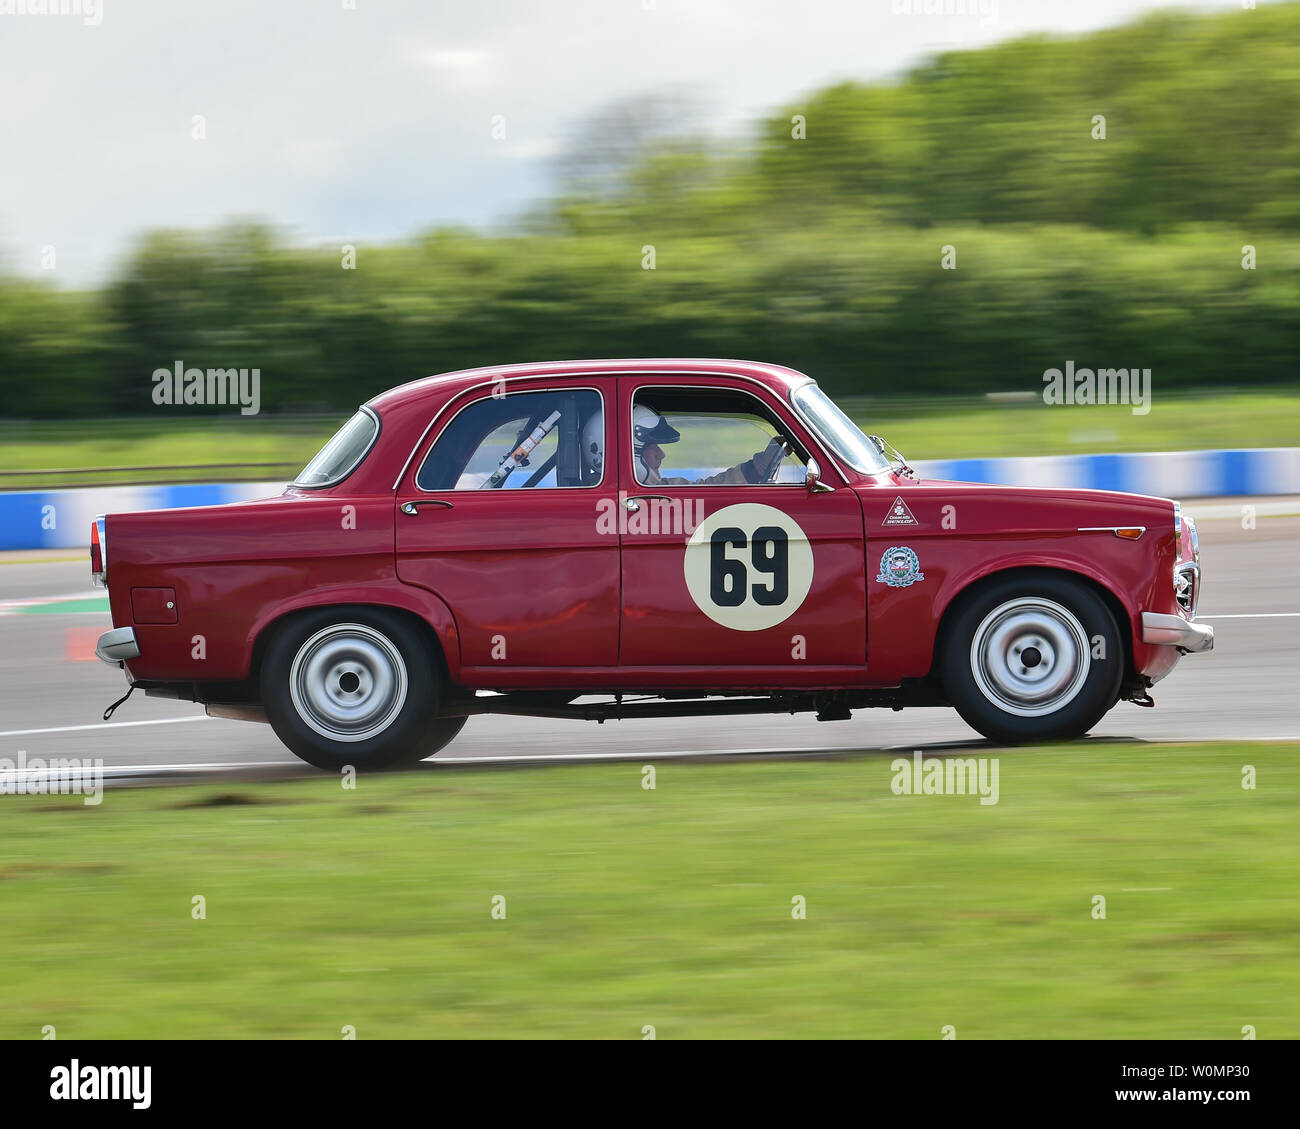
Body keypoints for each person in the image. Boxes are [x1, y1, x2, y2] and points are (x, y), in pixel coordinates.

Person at [582, 405, 790, 486]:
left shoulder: (656, 490)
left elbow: (708, 492)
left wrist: (760, 466)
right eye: (650, 445)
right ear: (623, 451)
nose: (661, 454)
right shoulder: (598, 505)